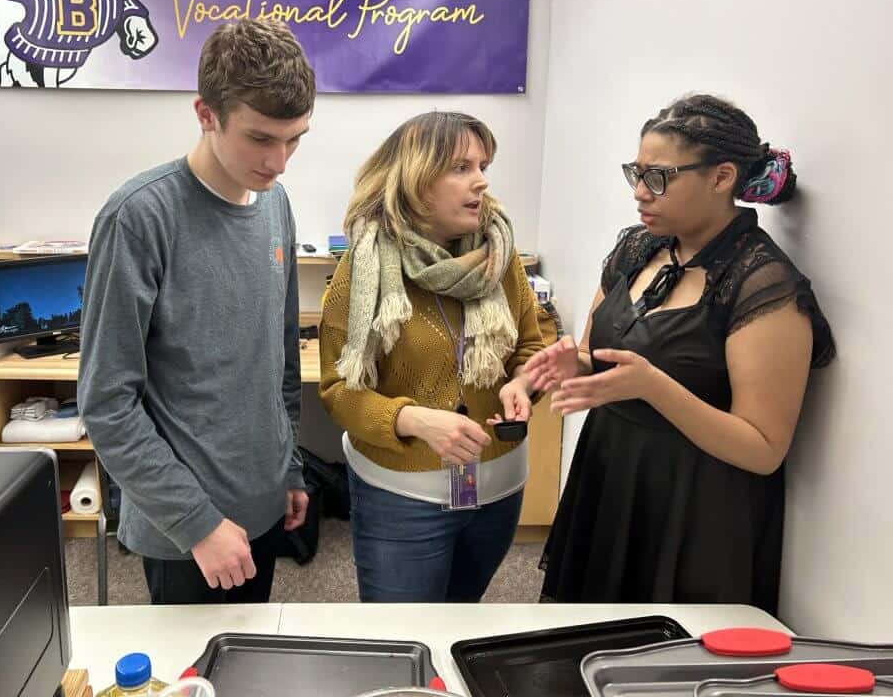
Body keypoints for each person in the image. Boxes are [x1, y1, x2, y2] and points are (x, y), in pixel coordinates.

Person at [526, 94, 835, 614]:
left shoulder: (763, 284)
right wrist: (573, 363)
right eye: (636, 174)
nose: (641, 194)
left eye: (660, 178)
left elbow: (763, 448)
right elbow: (595, 354)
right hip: (611, 478)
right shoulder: (638, 248)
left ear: (722, 178)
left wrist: (654, 387)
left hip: (694, 508)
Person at [78, 20, 317, 604]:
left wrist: (288, 468)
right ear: (206, 114)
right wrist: (197, 523)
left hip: (263, 505)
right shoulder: (138, 217)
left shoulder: (275, 203)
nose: (280, 161)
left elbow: (278, 359)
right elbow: (107, 402)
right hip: (184, 529)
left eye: (295, 139)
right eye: (261, 139)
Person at [318, 111, 547, 602]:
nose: (482, 180)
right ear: (418, 181)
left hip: (499, 489)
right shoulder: (364, 268)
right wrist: (414, 419)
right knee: (402, 639)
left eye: (483, 165)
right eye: (461, 167)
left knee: (461, 622)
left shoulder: (499, 257)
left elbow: (531, 347)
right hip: (401, 498)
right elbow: (339, 391)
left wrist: (524, 383)